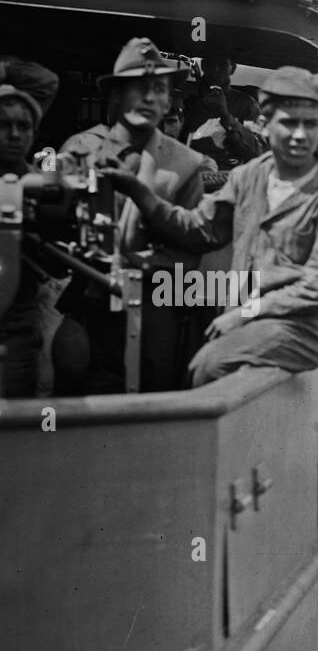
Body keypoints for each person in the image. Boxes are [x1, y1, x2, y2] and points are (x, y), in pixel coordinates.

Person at [102, 66, 318, 387]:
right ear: (268, 126)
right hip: (251, 319)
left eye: (310, 124)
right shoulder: (250, 177)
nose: (300, 135)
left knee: (206, 368)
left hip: (300, 325)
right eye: (289, 123)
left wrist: (245, 312)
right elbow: (201, 230)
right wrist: (142, 195)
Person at [54, 38, 210, 394]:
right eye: (138, 88)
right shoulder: (80, 150)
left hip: (152, 305)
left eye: (159, 89)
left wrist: (134, 267)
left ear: (169, 100)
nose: (150, 98)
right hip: (84, 300)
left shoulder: (184, 165)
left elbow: (189, 249)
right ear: (115, 96)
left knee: (150, 396)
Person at [0, 57, 59, 397]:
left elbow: (45, 81)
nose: (14, 134)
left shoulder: (41, 185)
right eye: (3, 124)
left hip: (15, 325)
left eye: (23, 127)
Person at [182, 47, 265, 171]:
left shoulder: (246, 105)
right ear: (204, 65)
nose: (215, 69)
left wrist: (226, 116)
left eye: (222, 64)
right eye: (210, 63)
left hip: (226, 178)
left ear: (233, 68)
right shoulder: (188, 101)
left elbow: (258, 153)